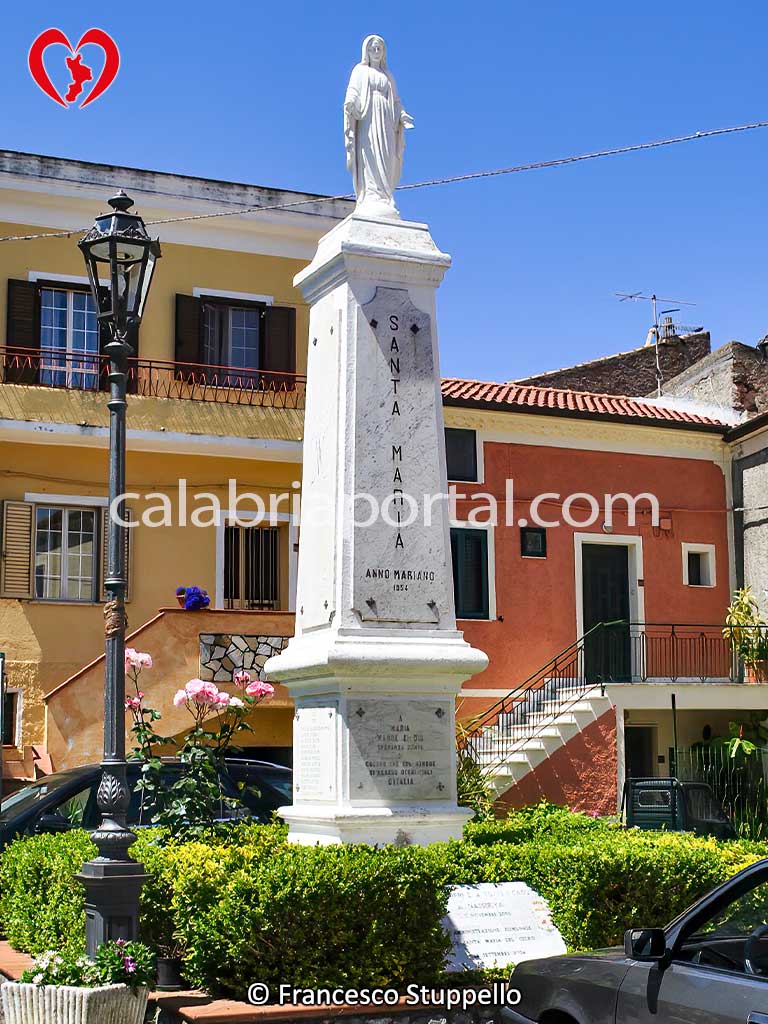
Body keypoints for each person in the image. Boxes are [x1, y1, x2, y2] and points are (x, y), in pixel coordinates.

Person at [344, 35, 414, 216]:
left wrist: (402, 115)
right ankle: (370, 195)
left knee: (386, 156)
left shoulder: (387, 76)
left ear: (383, 52)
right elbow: (352, 91)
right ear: (366, 51)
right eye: (373, 48)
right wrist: (351, 102)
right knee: (370, 154)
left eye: (379, 49)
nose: (376, 52)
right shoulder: (359, 71)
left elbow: (396, 101)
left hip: (386, 120)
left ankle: (384, 195)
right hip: (367, 117)